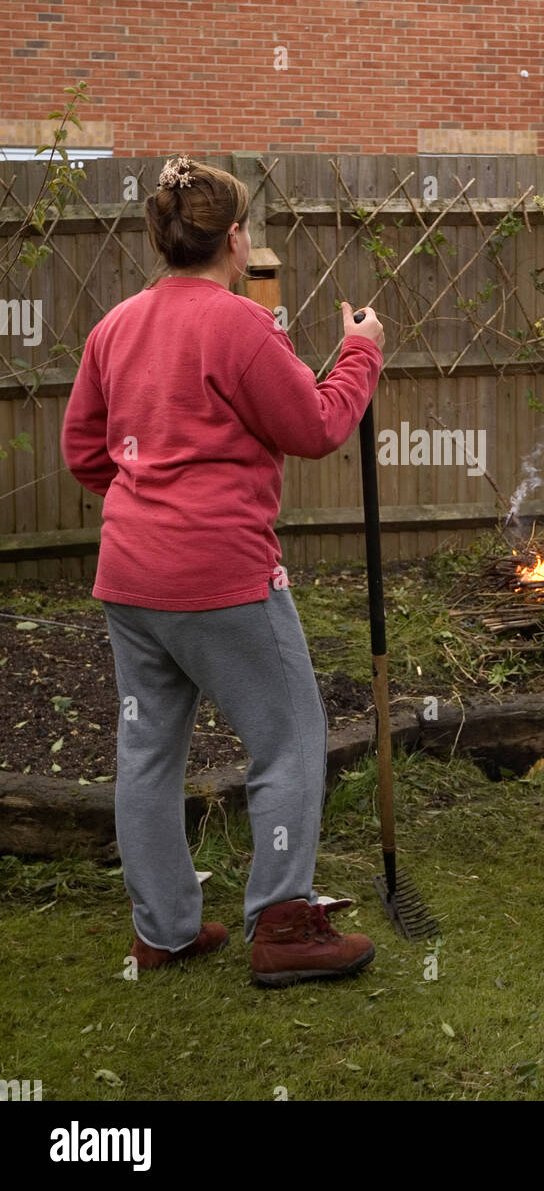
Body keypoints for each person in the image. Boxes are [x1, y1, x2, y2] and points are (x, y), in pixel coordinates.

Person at [61, 154, 385, 986]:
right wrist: (361, 353)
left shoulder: (115, 327)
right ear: (234, 239)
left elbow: (84, 453)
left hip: (130, 582)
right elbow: (314, 426)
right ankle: (283, 926)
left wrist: (147, 498)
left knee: (146, 755)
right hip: (224, 579)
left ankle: (163, 933)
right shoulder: (240, 326)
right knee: (289, 738)